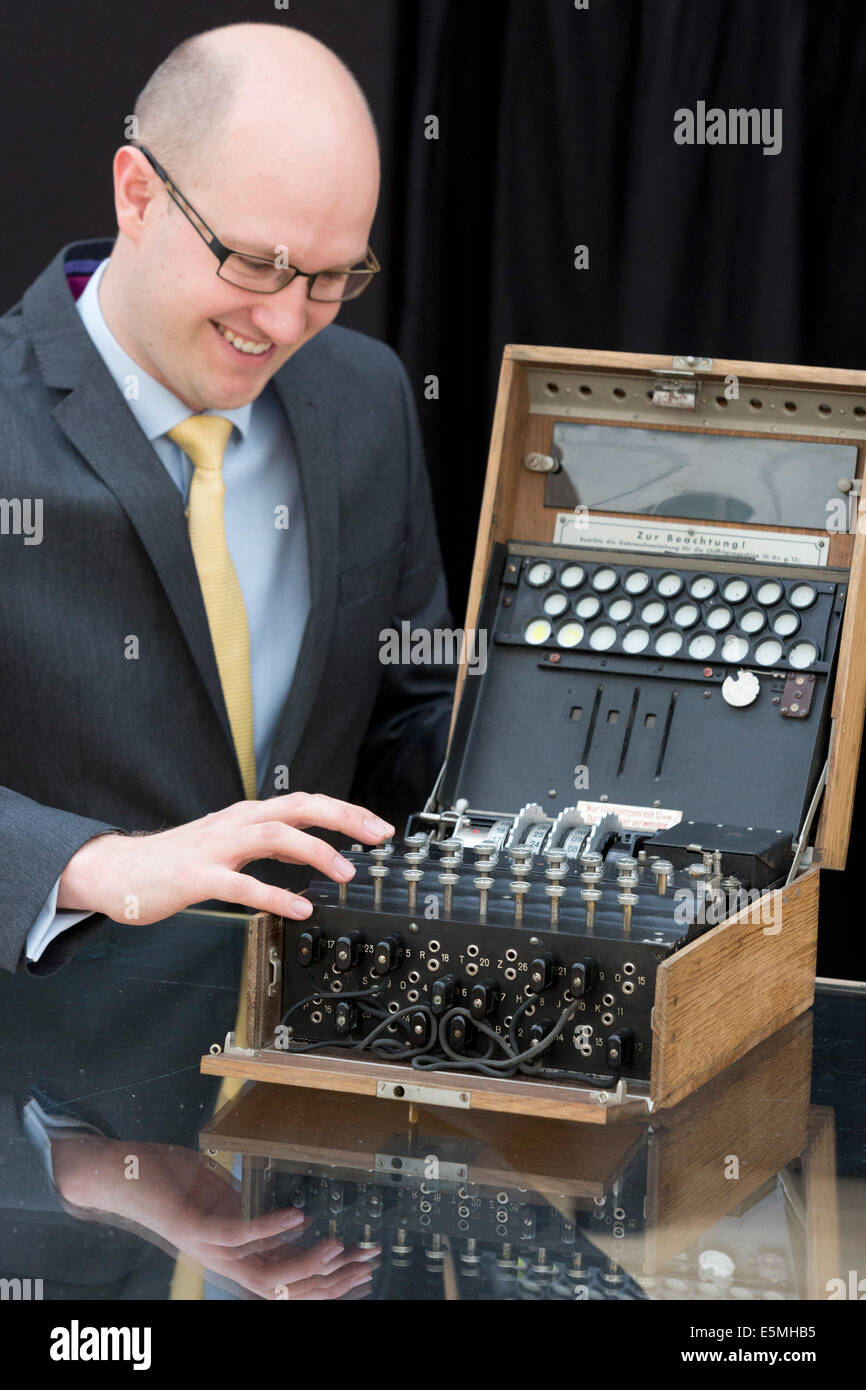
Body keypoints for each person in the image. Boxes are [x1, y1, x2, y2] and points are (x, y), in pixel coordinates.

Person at [0, 21, 455, 1299]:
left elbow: (406, 718)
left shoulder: (363, 397)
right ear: (136, 192)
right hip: (51, 1174)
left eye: (331, 276)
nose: (285, 319)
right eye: (254, 263)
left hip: (318, 1171)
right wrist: (99, 867)